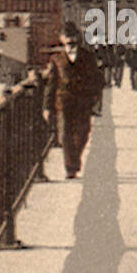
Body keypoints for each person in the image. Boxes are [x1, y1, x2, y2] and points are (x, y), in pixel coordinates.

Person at [42, 22, 105, 179]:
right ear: (62, 39)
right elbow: (51, 84)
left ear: (77, 38)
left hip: (83, 102)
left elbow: (98, 80)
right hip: (63, 102)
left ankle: (74, 160)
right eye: (66, 37)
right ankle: (71, 167)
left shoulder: (88, 57)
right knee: (64, 134)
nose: (69, 40)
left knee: (83, 134)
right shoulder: (56, 59)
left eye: (72, 37)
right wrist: (47, 107)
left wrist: (95, 100)